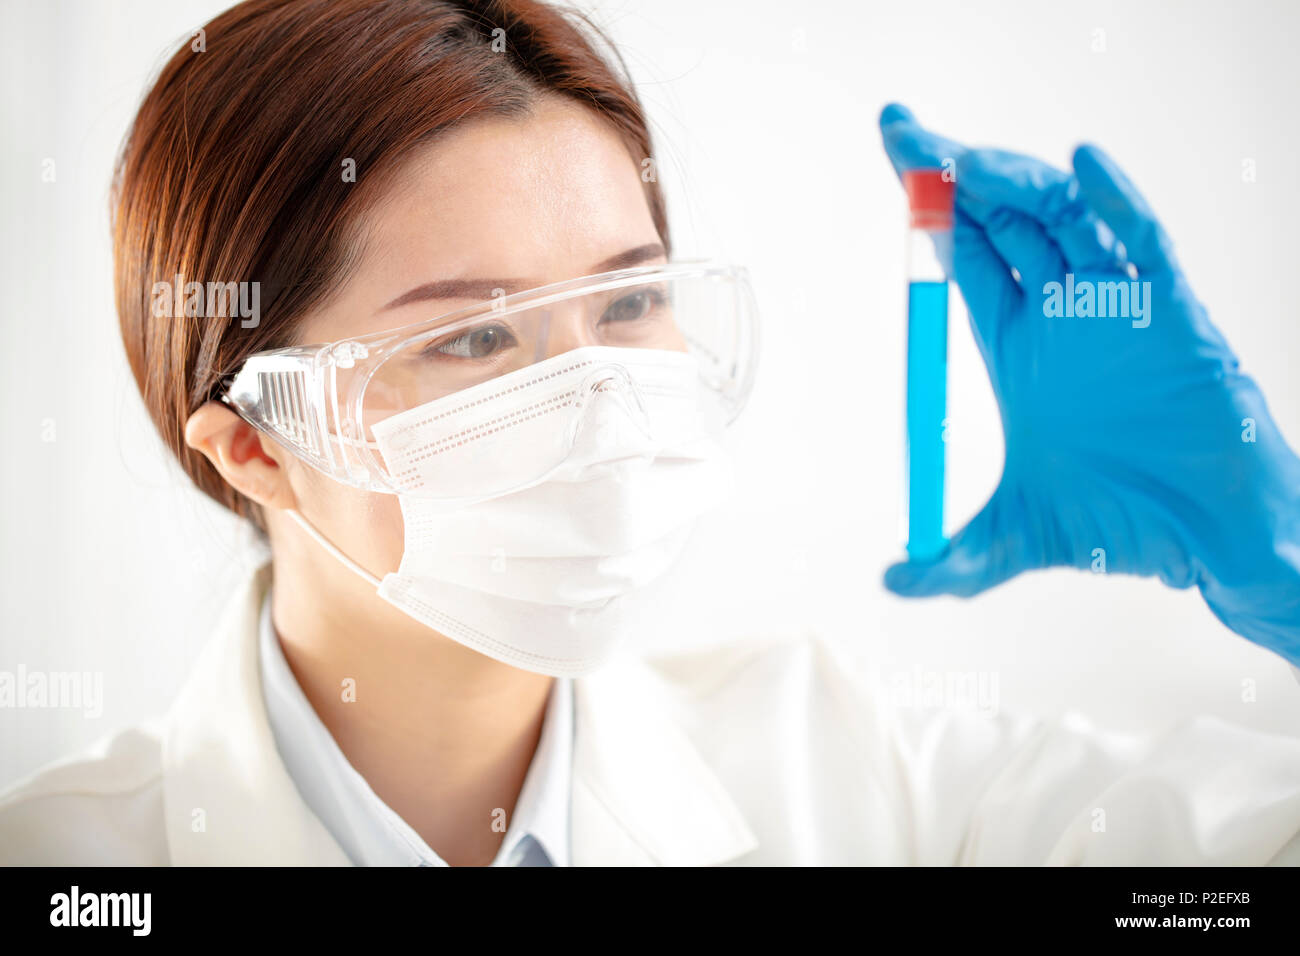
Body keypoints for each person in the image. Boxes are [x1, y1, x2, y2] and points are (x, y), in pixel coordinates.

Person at [2, 0, 1299, 867]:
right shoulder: (62, 864)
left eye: (628, 301)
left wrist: (1287, 569)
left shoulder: (841, 773)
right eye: (470, 336)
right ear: (255, 448)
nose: (599, 404)